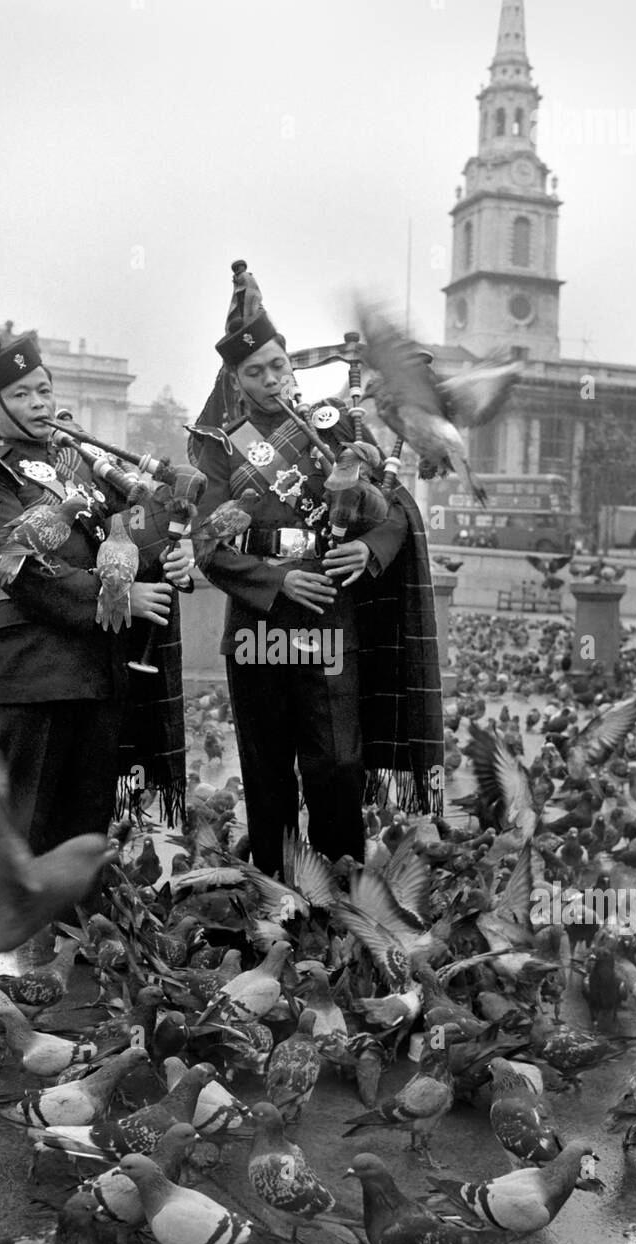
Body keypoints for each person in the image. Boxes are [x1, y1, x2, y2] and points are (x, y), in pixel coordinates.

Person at [189, 261, 443, 875]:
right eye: (255, 372)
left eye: (278, 365)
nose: (271, 379)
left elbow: (392, 503)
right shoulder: (219, 447)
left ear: (290, 364)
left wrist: (372, 548)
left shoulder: (335, 425)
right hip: (258, 622)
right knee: (266, 763)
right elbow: (205, 542)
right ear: (236, 379)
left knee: (337, 761)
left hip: (330, 613)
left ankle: (342, 884)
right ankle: (275, 888)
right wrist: (276, 581)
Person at [0, 332, 190, 856]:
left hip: (98, 674)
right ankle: (10, 938)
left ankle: (73, 938)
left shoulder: (78, 464)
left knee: (83, 840)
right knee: (23, 835)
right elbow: (23, 569)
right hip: (34, 677)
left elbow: (122, 539)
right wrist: (118, 599)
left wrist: (174, 553)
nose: (38, 403)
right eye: (20, 395)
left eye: (43, 390)